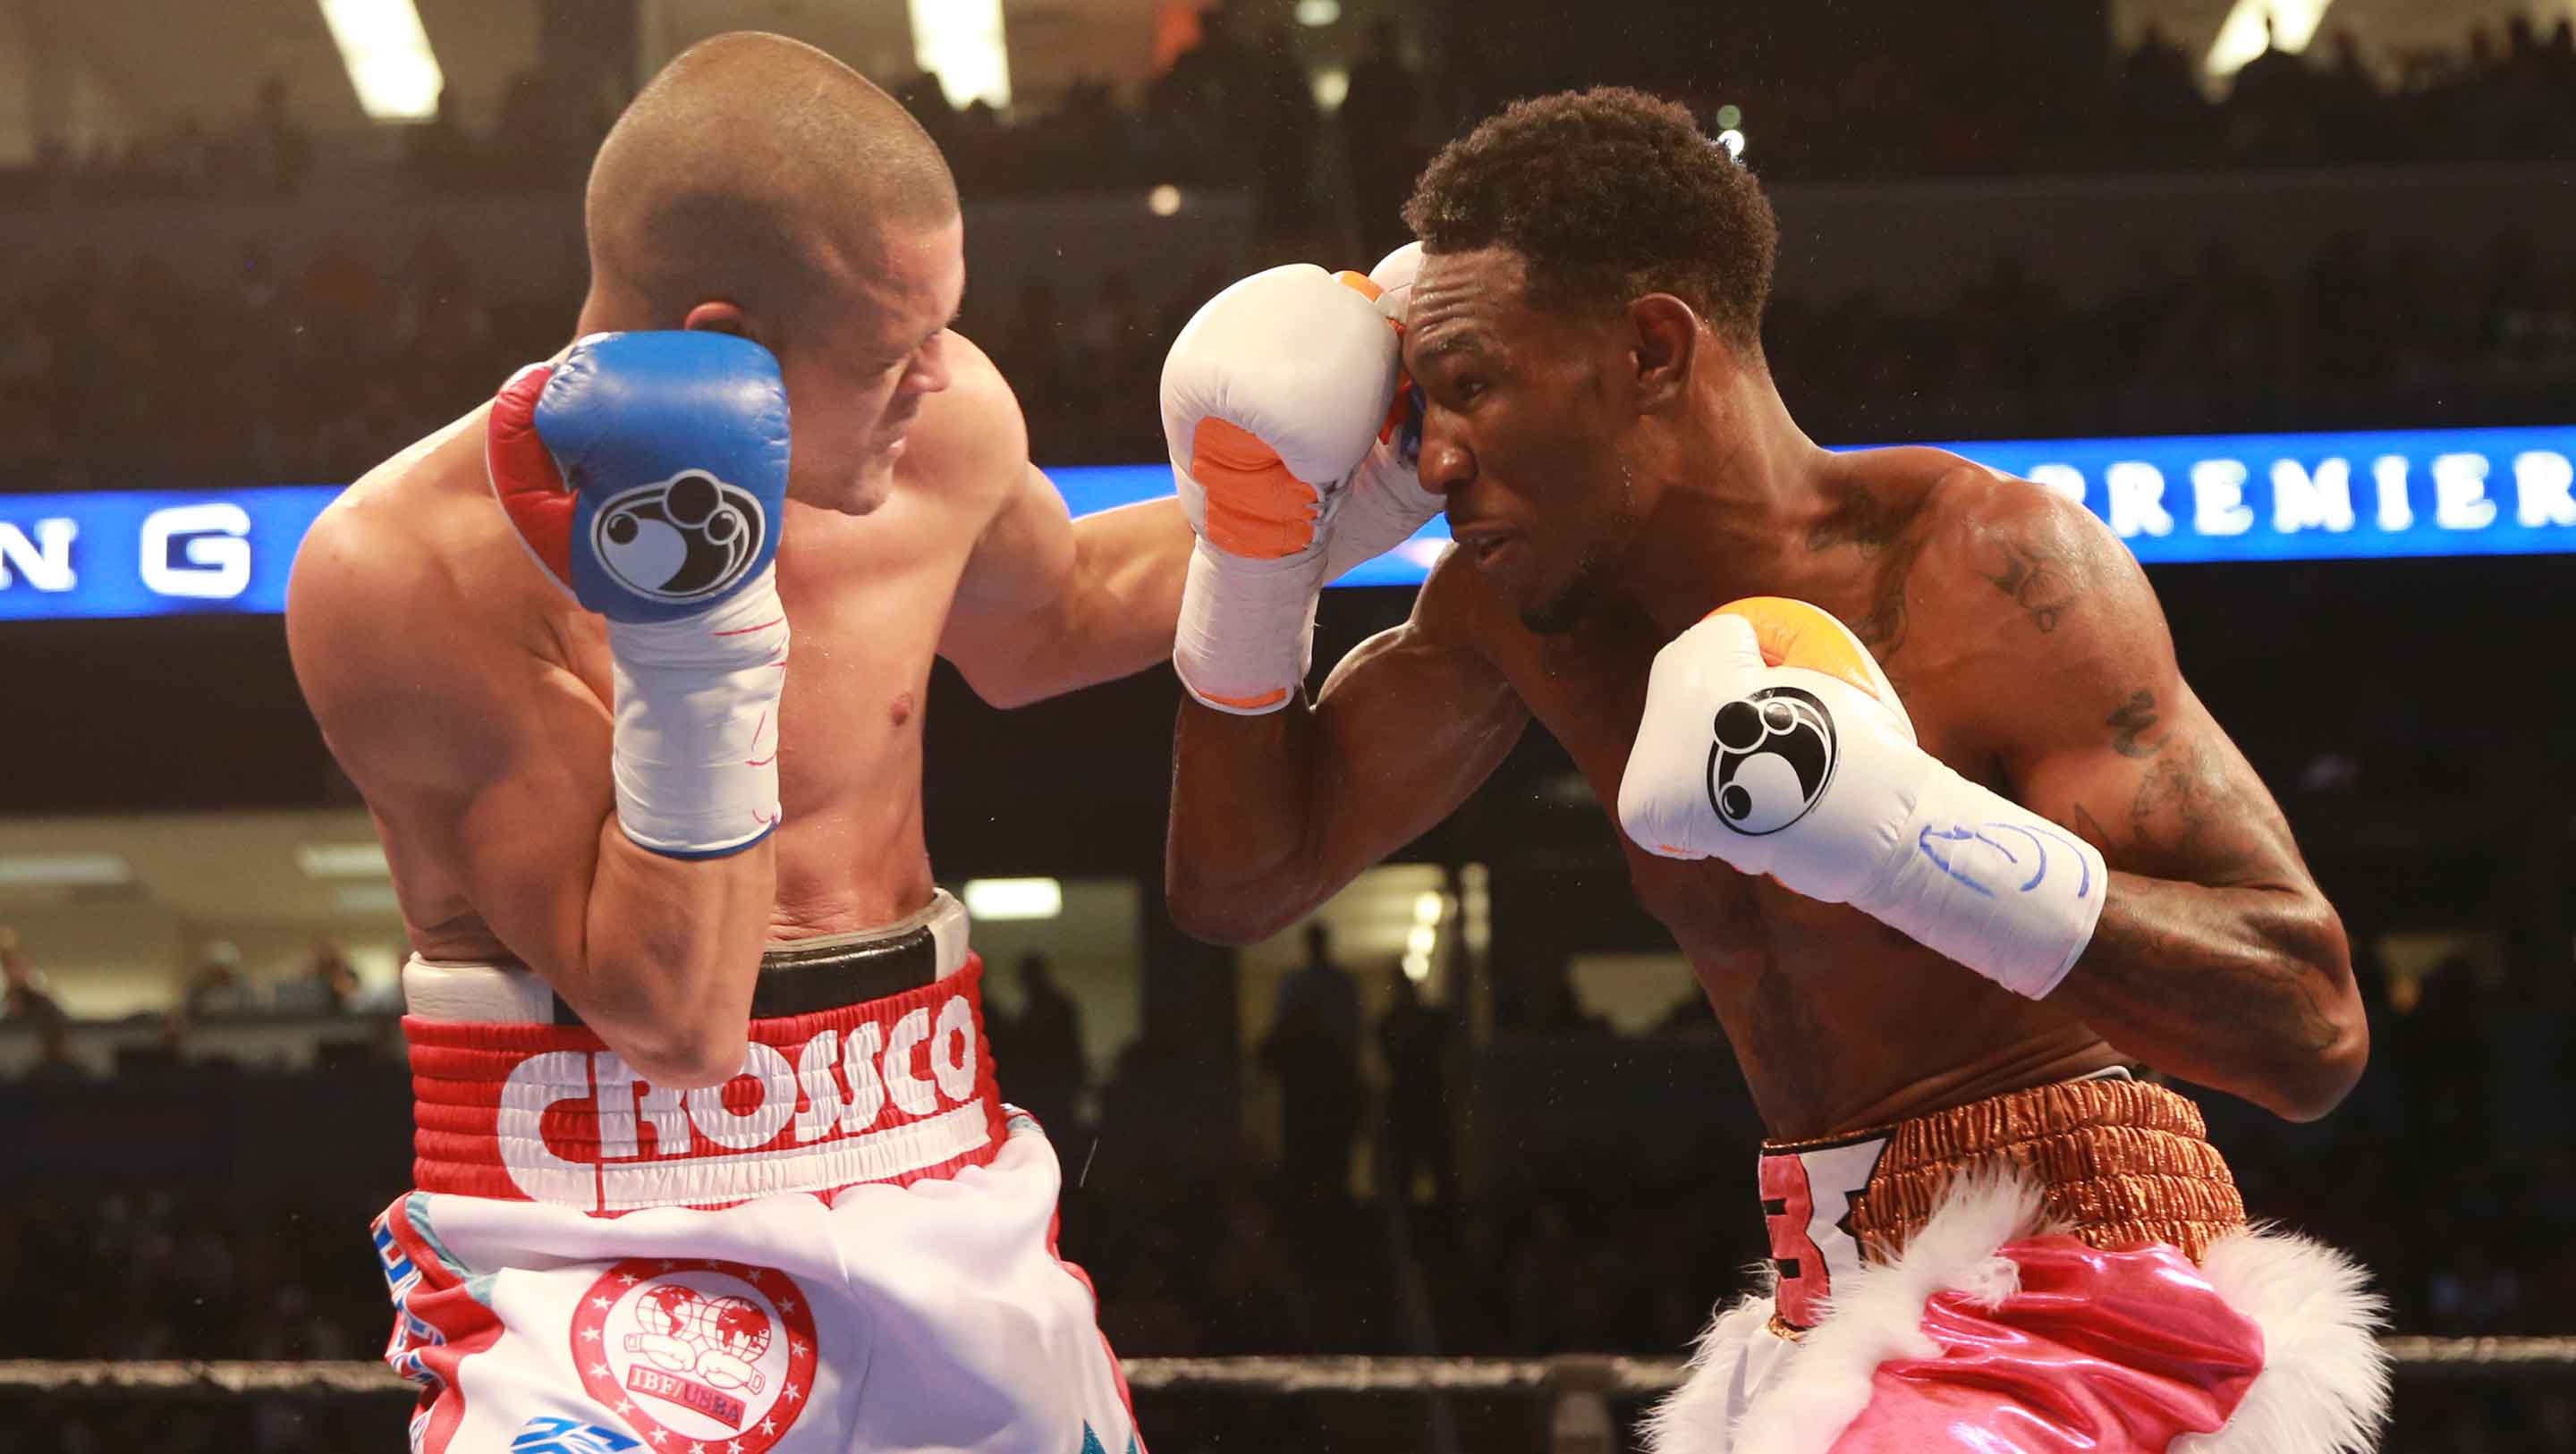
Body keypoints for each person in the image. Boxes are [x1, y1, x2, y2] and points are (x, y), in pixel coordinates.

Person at [1159, 89, 2386, 1452]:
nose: (1432, 457)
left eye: (1474, 387)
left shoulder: (1981, 568)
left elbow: (2312, 1024)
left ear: (1650, 348)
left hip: (2081, 1272)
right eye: (1422, 404)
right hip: (1828, 1297)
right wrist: (1254, 561)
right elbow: (1239, 881)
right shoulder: (1522, 616)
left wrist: (1914, 836)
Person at [286, 33, 1182, 1454]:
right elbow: (673, 1011)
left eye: (941, 328)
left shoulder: (942, 429)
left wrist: (1339, 480)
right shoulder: (406, 569)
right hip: (596, 1229)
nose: (937, 378)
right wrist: (696, 633)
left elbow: (1058, 613)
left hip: (935, 1165)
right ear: (723, 346)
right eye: (888, 351)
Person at [1256, 924, 1363, 1201]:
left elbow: (1351, 1036)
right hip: (1312, 1081)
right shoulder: (1317, 984)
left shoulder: (1314, 984)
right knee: (1315, 1156)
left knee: (1324, 1156)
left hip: (1323, 1081)